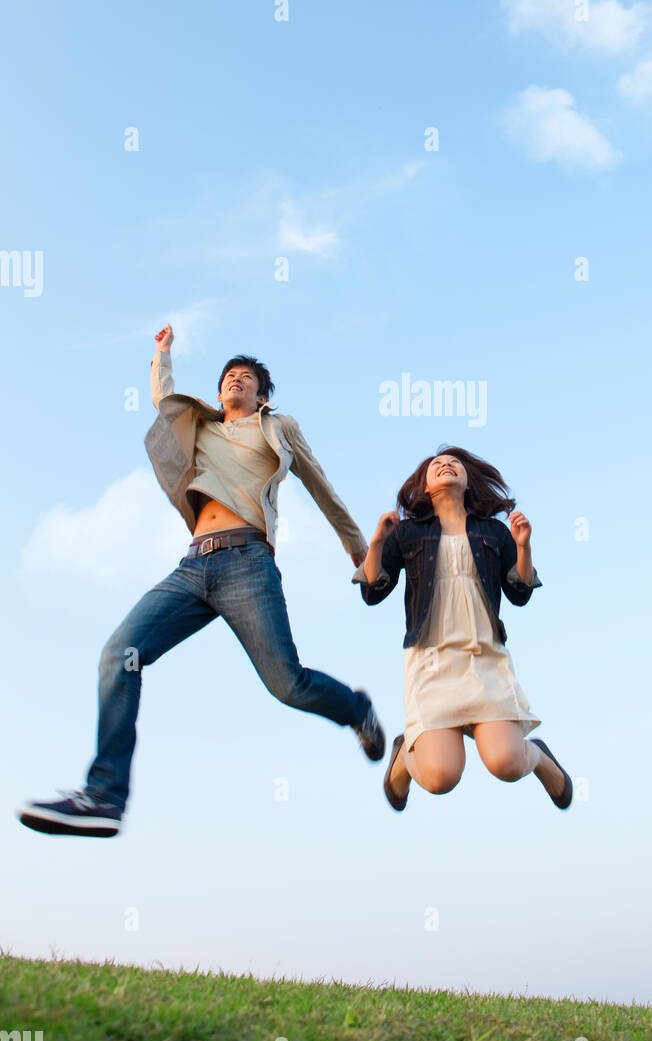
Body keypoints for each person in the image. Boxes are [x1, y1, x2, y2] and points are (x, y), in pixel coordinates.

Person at [17, 324, 385, 838]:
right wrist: (162, 353)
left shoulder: (279, 428)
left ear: (262, 394)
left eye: (248, 378)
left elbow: (323, 489)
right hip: (192, 567)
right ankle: (103, 795)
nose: (238, 380)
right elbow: (163, 401)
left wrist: (360, 555)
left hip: (248, 563)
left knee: (288, 684)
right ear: (219, 392)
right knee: (119, 654)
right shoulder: (204, 427)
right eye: (230, 376)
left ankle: (356, 710)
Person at [354, 446, 571, 812]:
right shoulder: (407, 533)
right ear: (425, 487)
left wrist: (523, 547)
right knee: (441, 778)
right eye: (436, 465)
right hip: (432, 664)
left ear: (467, 480)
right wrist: (376, 541)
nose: (446, 466)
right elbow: (373, 591)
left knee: (507, 763)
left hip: (485, 661)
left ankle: (537, 757)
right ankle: (405, 758)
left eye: (454, 463)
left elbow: (519, 592)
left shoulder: (493, 532)